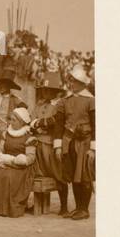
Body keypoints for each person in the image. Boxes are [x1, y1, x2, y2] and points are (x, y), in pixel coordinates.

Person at [0, 106, 37, 218]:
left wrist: (18, 160)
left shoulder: (29, 137)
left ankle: (7, 209)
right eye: (10, 119)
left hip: (21, 167)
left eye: (14, 120)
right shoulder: (6, 134)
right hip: (5, 162)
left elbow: (30, 158)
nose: (11, 122)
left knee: (8, 177)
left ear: (22, 122)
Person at [57, 65, 96, 220]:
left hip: (85, 143)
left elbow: (95, 125)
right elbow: (60, 124)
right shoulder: (65, 100)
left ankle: (84, 209)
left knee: (84, 175)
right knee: (74, 175)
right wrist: (58, 145)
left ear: (81, 83)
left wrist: (93, 148)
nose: (71, 83)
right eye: (70, 80)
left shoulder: (91, 100)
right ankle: (78, 207)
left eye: (74, 81)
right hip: (70, 142)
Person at [30, 71, 69, 215]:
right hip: (38, 144)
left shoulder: (59, 105)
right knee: (38, 174)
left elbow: (56, 122)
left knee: (58, 174)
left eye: (48, 90)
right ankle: (39, 205)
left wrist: (41, 123)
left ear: (54, 91)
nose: (45, 93)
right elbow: (32, 121)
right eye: (44, 90)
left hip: (51, 144)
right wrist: (36, 124)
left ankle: (64, 206)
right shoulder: (39, 105)